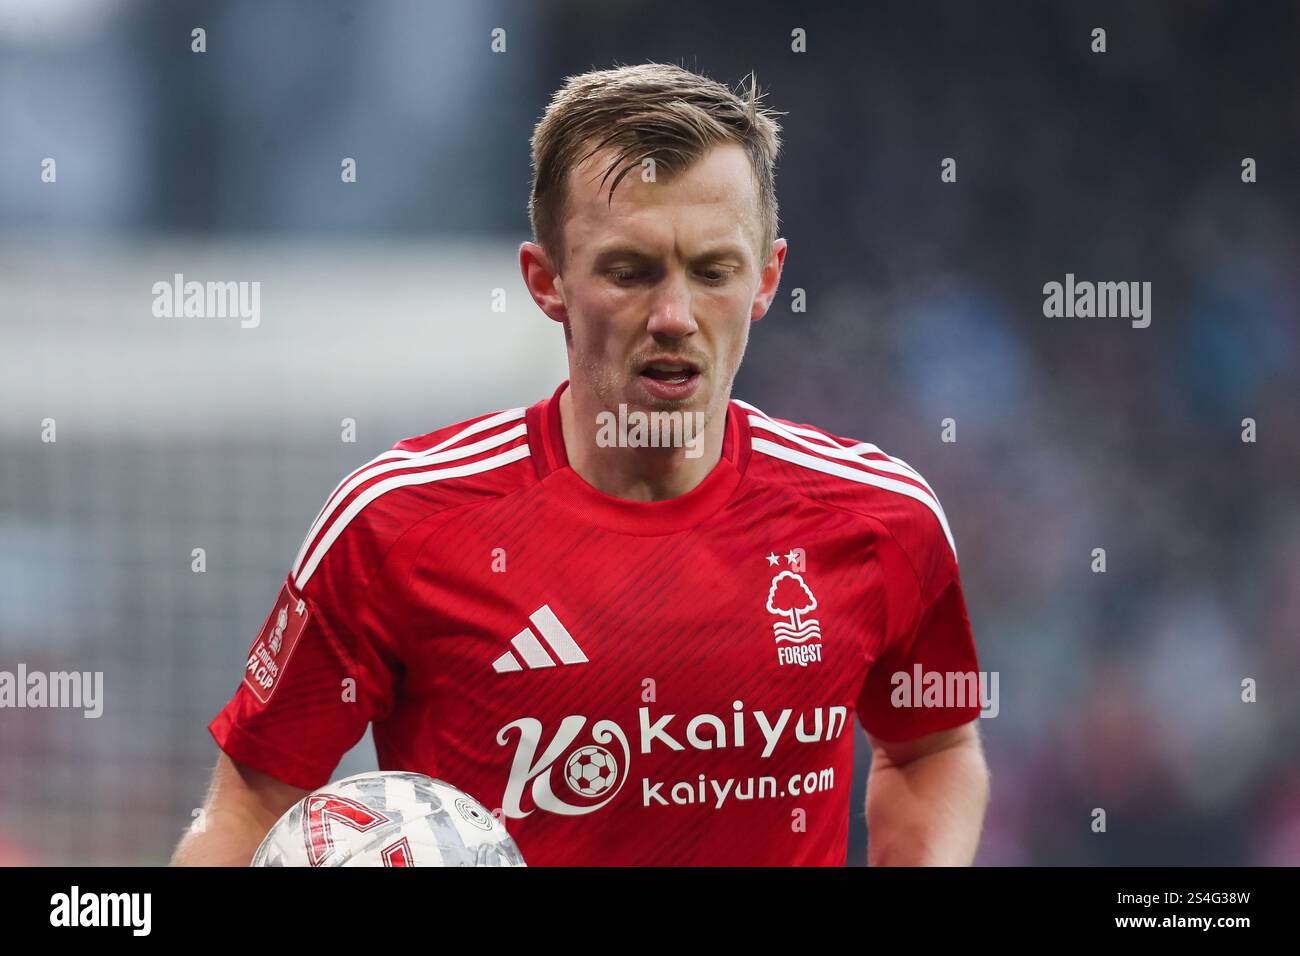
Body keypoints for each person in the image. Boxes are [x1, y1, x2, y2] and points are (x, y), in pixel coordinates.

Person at [172, 62, 988, 866]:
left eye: (713, 272)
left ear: (767, 278)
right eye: (629, 272)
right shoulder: (395, 523)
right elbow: (251, 803)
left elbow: (934, 749)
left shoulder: (881, 519)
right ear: (547, 281)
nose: (674, 316)